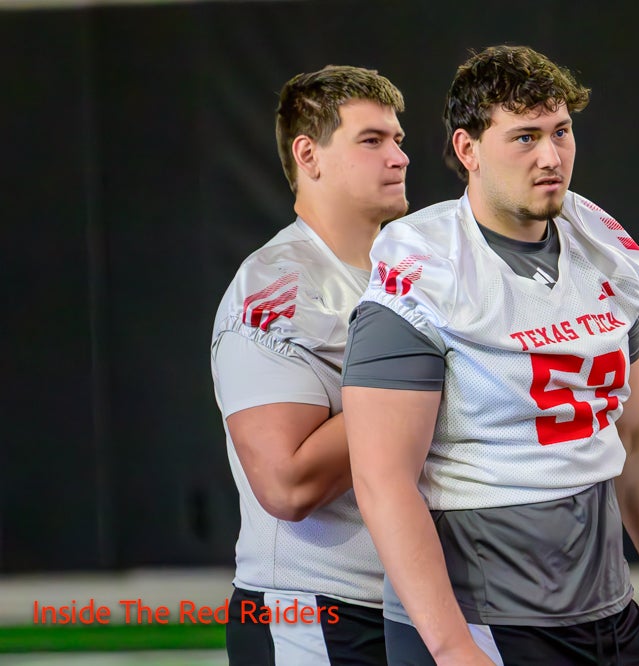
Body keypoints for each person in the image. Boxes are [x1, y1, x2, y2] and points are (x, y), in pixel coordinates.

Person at [340, 44, 639, 666]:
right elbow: (382, 478)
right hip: (483, 617)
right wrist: (452, 646)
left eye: (561, 132)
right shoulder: (422, 272)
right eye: (525, 136)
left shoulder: (601, 246)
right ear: (467, 150)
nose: (551, 156)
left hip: (606, 607)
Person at [210, 64, 409, 664]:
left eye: (398, 140)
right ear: (309, 154)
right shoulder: (275, 287)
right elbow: (287, 483)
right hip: (317, 610)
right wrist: (414, 382)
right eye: (371, 141)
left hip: (411, 602)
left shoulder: (416, 276)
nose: (398, 157)